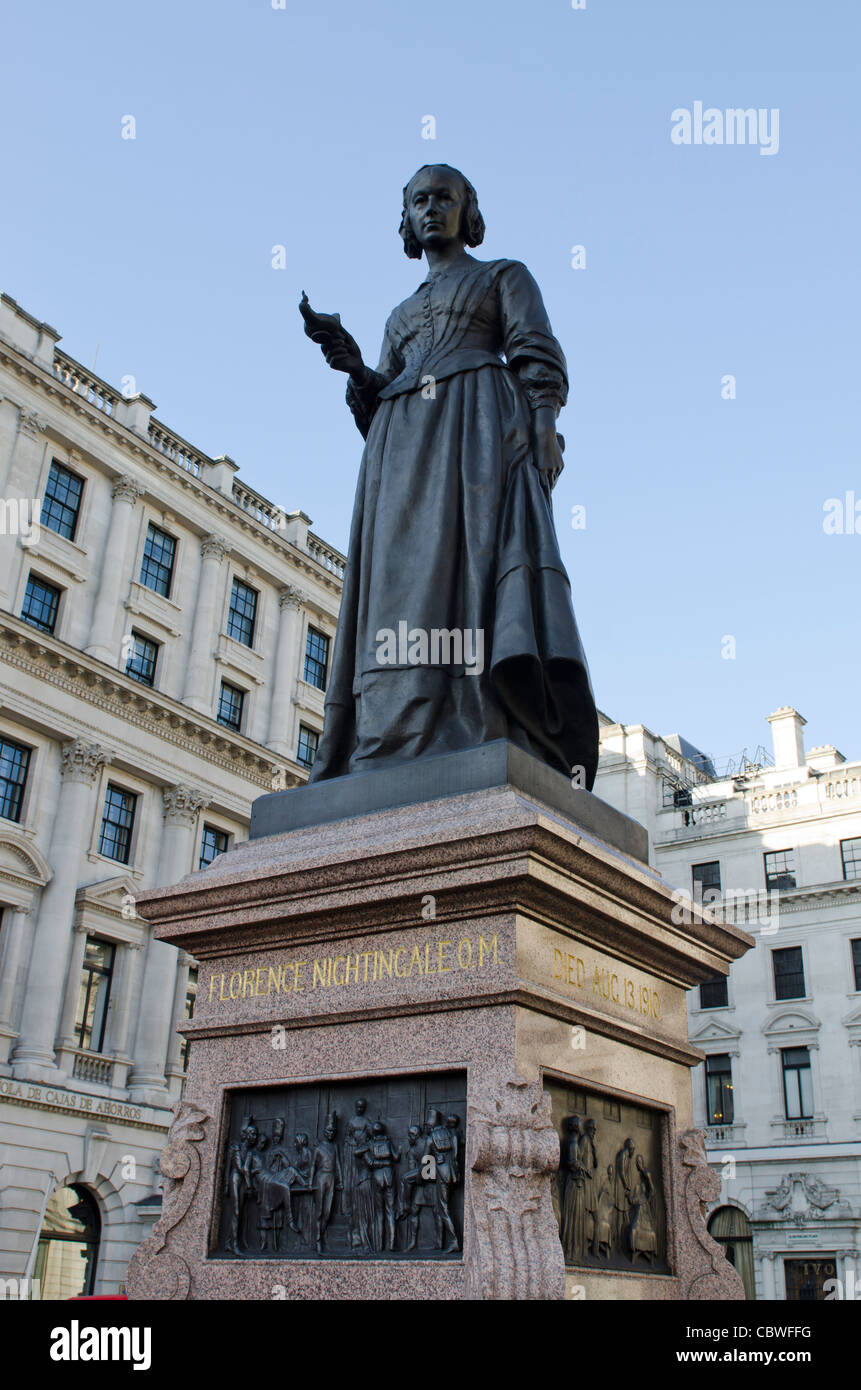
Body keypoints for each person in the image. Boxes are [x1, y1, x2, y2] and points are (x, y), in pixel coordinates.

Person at [299, 164, 598, 784]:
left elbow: (535, 349)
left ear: (468, 211)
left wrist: (543, 426)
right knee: (395, 585)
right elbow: (379, 401)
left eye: (444, 198)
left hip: (478, 433)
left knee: (470, 568)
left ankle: (476, 711)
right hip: (401, 450)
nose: (431, 209)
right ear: (405, 218)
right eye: (418, 201)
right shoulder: (397, 316)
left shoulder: (503, 276)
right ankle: (391, 728)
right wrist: (358, 370)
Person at [311, 1114, 343, 1254]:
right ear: (324, 1132)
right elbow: (313, 1165)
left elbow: (338, 1164)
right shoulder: (318, 1148)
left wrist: (340, 1180)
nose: (331, 1133)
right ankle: (318, 1240)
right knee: (319, 1211)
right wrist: (309, 1182)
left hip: (331, 1178)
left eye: (333, 1131)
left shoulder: (335, 1147)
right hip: (320, 1178)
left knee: (327, 1212)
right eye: (329, 1131)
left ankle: (321, 1234)